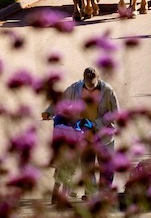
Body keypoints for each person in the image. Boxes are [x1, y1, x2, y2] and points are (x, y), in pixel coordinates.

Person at [43, 66, 120, 198]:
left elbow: (115, 113)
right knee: (87, 165)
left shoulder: (107, 91)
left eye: (93, 84)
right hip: (84, 133)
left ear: (98, 79)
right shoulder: (75, 89)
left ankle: (104, 194)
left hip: (104, 133)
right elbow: (61, 100)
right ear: (83, 80)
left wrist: (96, 123)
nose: (90, 87)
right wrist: (49, 111)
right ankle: (91, 193)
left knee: (106, 167)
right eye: (88, 84)